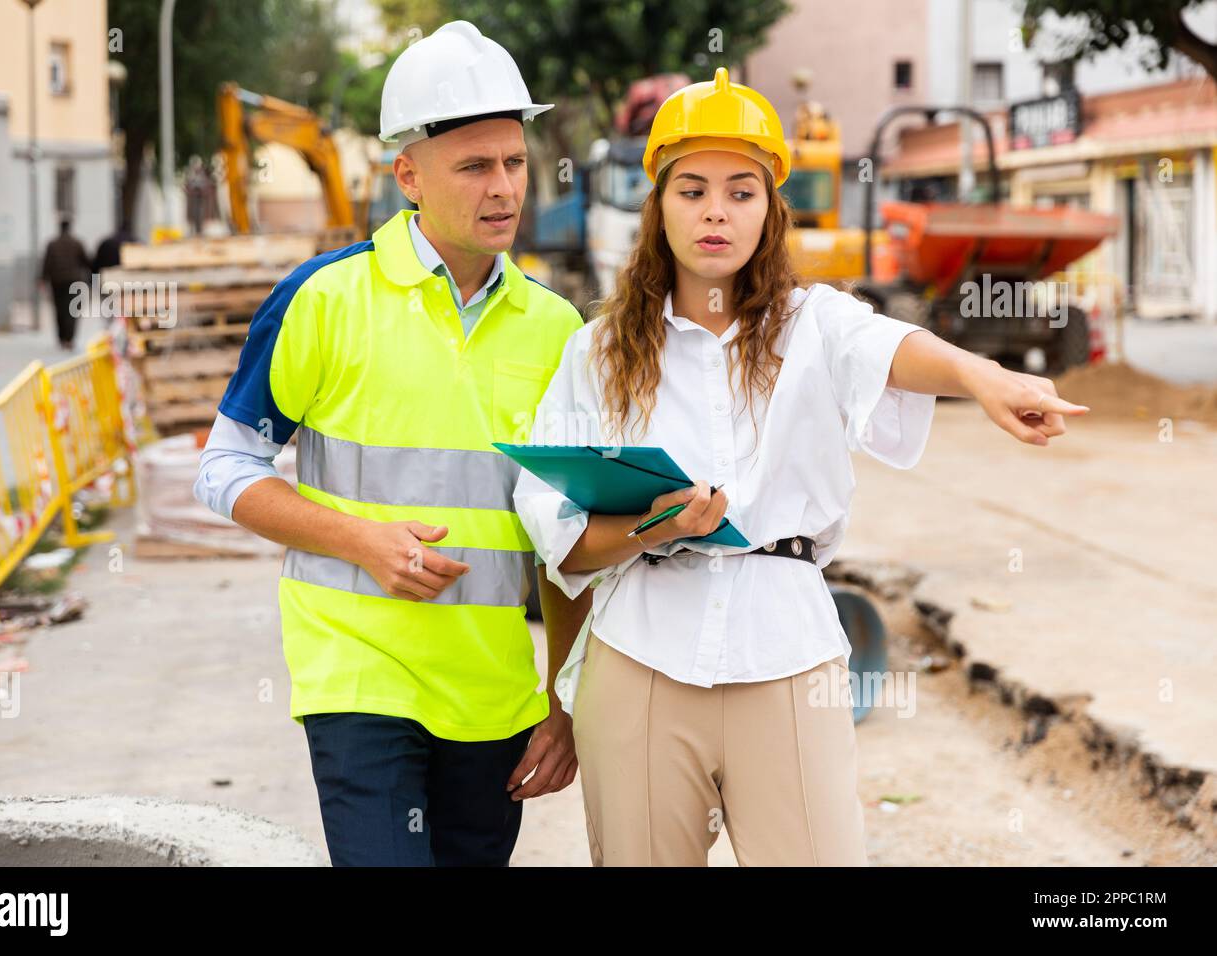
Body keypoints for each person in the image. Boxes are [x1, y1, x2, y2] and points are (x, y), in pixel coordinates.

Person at [513, 68, 1089, 867]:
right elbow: (555, 532)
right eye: (693, 189)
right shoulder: (599, 352)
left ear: (771, 208)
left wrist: (984, 377)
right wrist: (655, 528)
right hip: (641, 658)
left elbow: (890, 348)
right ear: (658, 206)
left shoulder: (814, 326)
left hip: (787, 660)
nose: (717, 210)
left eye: (742, 191)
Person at [193, 21, 592, 866]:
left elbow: (567, 541)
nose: (504, 189)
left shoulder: (557, 330)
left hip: (491, 694)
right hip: (357, 677)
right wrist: (361, 542)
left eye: (514, 163)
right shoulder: (323, 299)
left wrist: (564, 701)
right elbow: (225, 468)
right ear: (407, 175)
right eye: (474, 167)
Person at [39, 216, 91, 350]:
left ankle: (62, 338)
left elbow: (47, 263)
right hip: (74, 281)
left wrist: (42, 279)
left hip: (57, 281)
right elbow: (86, 262)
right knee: (72, 310)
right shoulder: (77, 243)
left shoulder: (52, 244)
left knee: (59, 310)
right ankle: (69, 338)